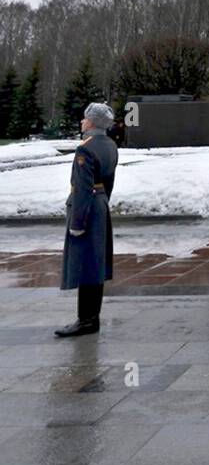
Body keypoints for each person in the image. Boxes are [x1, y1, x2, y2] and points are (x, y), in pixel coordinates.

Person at [55, 102, 119, 338]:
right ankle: (92, 317)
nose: (82, 122)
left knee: (85, 264)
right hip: (100, 204)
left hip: (88, 208)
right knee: (96, 263)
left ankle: (86, 320)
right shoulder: (110, 145)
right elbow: (109, 181)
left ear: (92, 122)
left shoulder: (85, 149)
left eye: (85, 118)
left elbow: (82, 189)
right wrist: (102, 202)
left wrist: (77, 223)